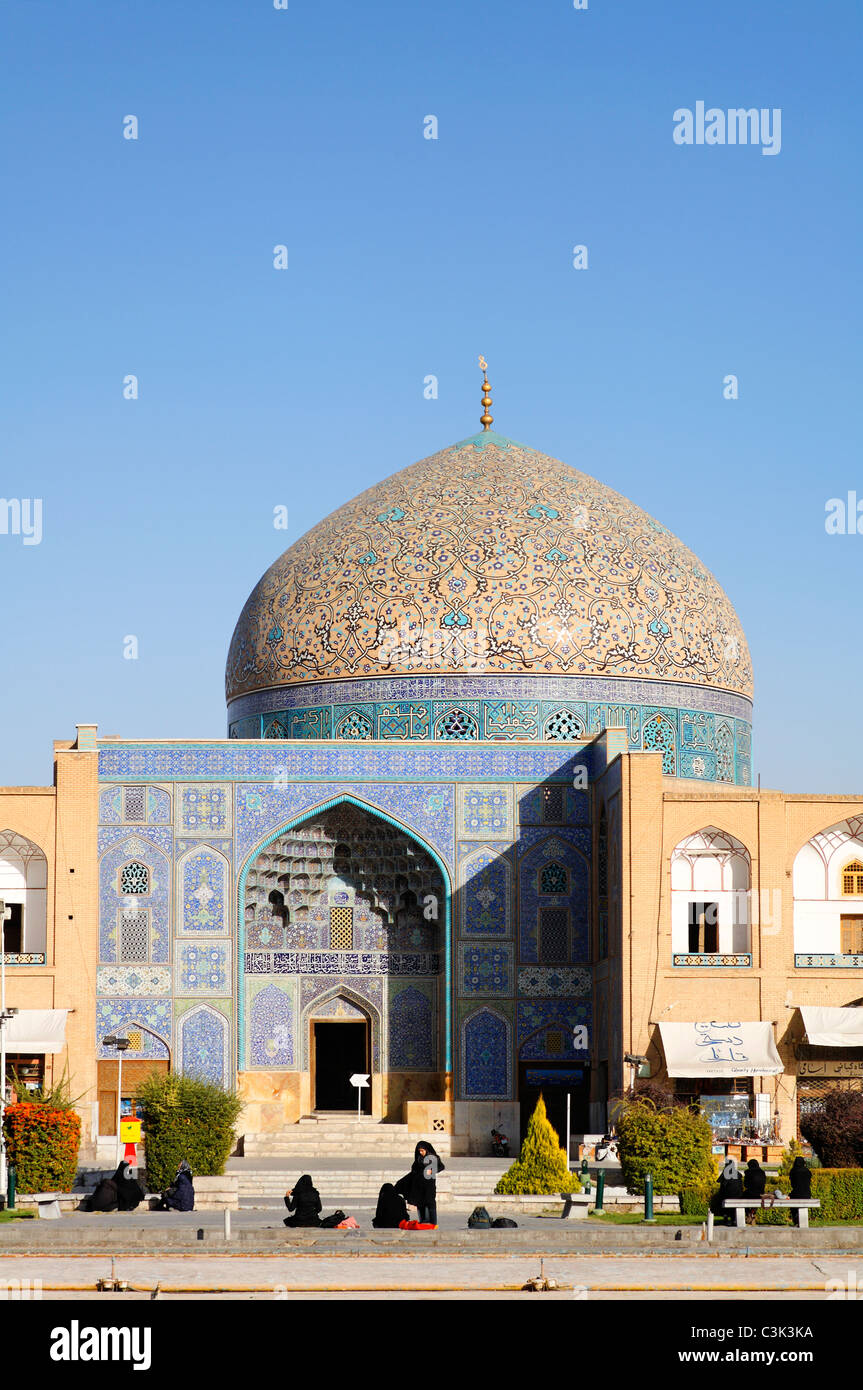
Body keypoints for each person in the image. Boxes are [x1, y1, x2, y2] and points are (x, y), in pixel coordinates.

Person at [399, 1141, 445, 1226]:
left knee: (430, 1201)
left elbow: (441, 1166)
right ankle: (423, 1220)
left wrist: (432, 1170)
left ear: (427, 1150)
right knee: (420, 1202)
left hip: (429, 1185)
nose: (421, 1152)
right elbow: (414, 1169)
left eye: (422, 1151)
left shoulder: (433, 1158)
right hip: (419, 1184)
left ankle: (432, 1221)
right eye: (419, 1151)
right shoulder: (418, 1158)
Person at [710, 1156, 743, 1224]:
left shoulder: (725, 1173)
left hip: (729, 1196)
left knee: (719, 1198)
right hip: (738, 1195)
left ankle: (725, 1215)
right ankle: (733, 1218)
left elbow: (722, 1187)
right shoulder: (738, 1174)